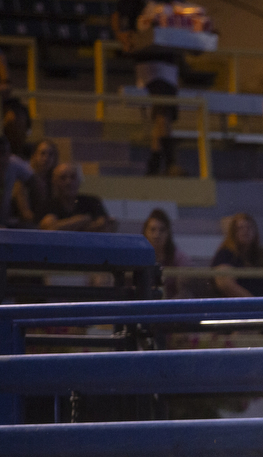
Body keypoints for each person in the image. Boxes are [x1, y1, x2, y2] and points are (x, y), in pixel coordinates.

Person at [112, 0, 184, 175]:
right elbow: (117, 15)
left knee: (162, 115)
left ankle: (153, 165)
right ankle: (170, 162)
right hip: (150, 63)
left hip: (170, 63)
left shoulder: (177, 4)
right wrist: (121, 35)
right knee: (163, 111)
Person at [211, 212, 263, 297]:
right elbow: (225, 284)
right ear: (233, 232)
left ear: (255, 231)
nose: (245, 231)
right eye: (240, 228)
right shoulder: (225, 254)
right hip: (241, 307)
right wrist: (253, 303)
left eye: (249, 227)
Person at [38, 163, 116, 233]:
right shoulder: (48, 205)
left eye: (73, 177)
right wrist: (81, 220)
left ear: (79, 181)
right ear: (54, 182)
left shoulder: (93, 201)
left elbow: (107, 227)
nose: (68, 182)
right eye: (63, 178)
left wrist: (63, 226)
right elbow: (49, 229)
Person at [142, 208, 197, 298]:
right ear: (145, 232)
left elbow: (184, 290)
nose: (157, 235)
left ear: (168, 233)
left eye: (162, 230)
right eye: (152, 230)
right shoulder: (138, 257)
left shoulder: (178, 257)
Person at [11, 138, 57, 226]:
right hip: (26, 227)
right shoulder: (23, 181)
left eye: (50, 154)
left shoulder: (55, 181)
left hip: (49, 225)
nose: (46, 158)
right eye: (42, 153)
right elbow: (25, 214)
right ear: (34, 155)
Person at [1, 134, 32, 228]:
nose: (0, 158)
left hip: (8, 224)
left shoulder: (15, 163)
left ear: (9, 153)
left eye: (3, 152)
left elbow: (36, 182)